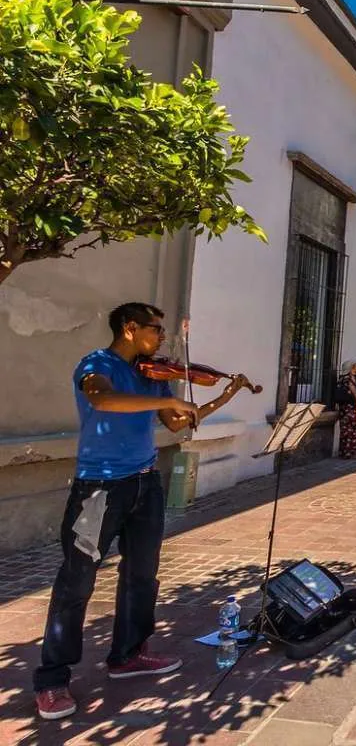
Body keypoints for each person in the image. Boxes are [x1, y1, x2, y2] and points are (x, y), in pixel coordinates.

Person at [34, 302, 253, 720]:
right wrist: (164, 400)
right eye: (156, 330)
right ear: (130, 329)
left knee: (141, 575)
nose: (163, 339)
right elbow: (102, 401)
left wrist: (225, 395)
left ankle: (128, 655)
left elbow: (175, 423)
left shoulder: (152, 375)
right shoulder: (98, 365)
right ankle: (52, 679)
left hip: (145, 483)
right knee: (76, 581)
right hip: (98, 487)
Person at [336, 361, 356, 459]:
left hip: (343, 408)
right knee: (353, 429)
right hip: (351, 408)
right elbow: (354, 391)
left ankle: (344, 452)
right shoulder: (350, 378)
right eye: (354, 367)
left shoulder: (341, 379)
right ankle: (352, 452)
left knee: (345, 430)